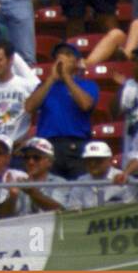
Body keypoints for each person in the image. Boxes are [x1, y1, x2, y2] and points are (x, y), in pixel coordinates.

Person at [25, 42, 98, 179]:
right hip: (47, 148)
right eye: (59, 55)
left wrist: (67, 77)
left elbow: (85, 104)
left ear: (77, 62)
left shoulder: (87, 85)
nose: (61, 58)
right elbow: (29, 107)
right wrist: (51, 79)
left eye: (68, 55)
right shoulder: (45, 86)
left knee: (77, 192)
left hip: (76, 146)